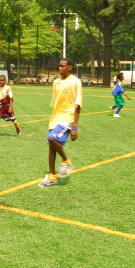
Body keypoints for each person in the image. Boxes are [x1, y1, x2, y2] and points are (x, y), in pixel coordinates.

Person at [38, 58, 82, 188]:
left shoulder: (75, 82)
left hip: (67, 117)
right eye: (59, 66)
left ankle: (67, 161)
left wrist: (74, 127)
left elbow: (78, 105)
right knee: (51, 147)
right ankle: (52, 177)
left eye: (63, 66)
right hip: (55, 117)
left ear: (70, 67)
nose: (60, 68)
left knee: (51, 138)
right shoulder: (56, 82)